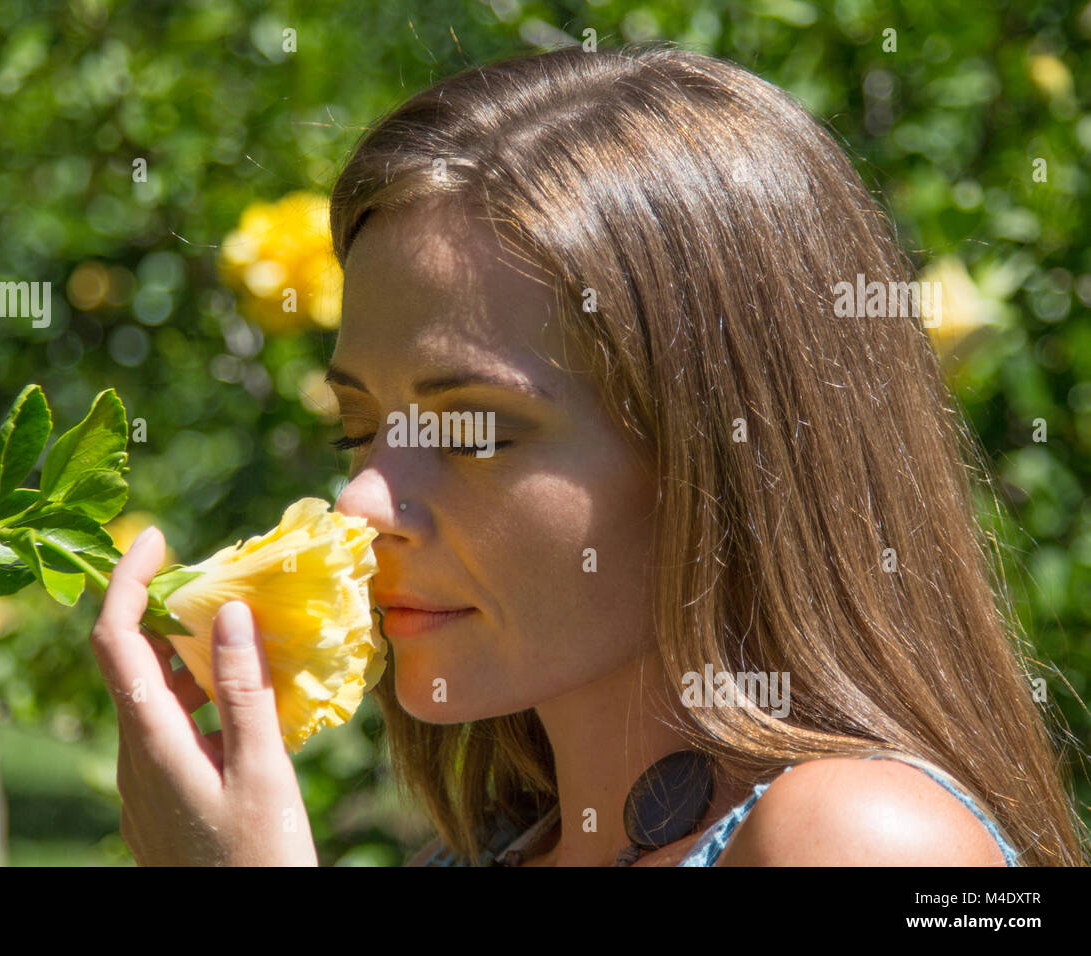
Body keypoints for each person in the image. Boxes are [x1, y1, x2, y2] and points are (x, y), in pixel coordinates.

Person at [88, 44, 1088, 866]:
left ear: (716, 454)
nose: (359, 498)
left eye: (471, 427)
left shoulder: (862, 839)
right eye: (358, 425)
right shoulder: (482, 850)